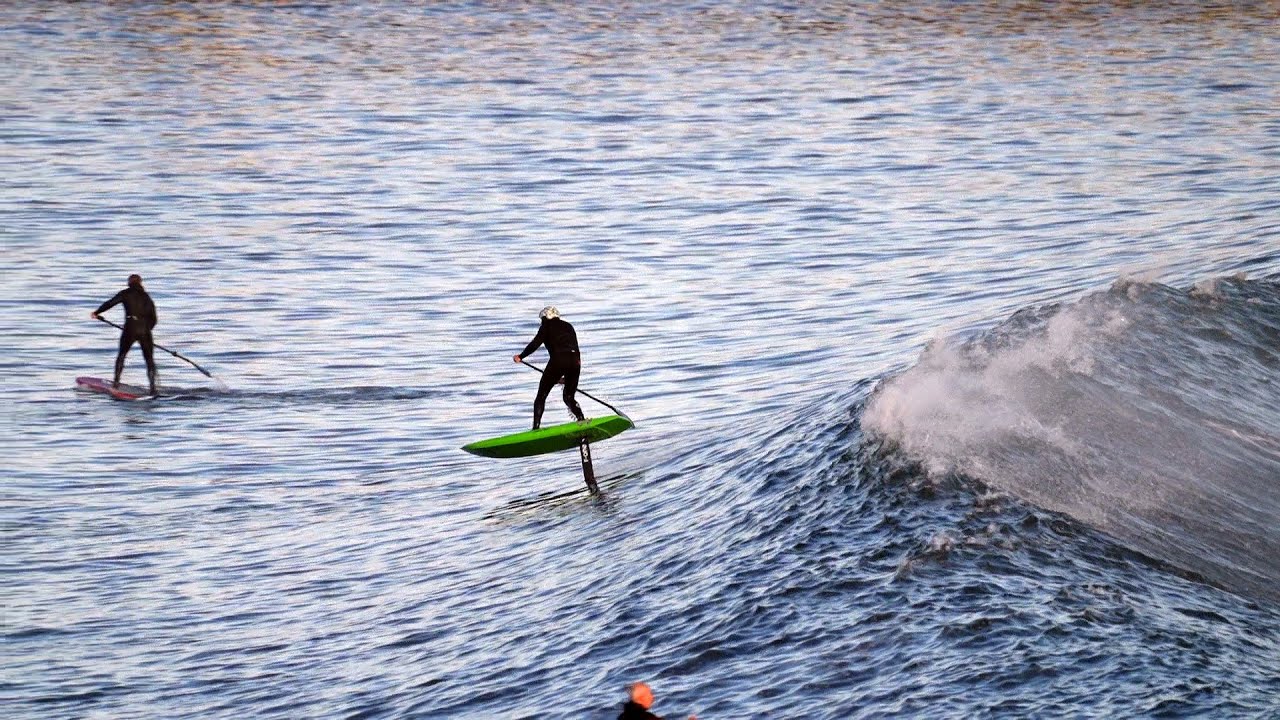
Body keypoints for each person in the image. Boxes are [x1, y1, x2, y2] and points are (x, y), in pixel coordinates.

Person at [513, 306, 585, 430]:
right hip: (575, 361)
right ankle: (581, 419)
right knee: (569, 397)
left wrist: (521, 356)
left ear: (546, 317)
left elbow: (535, 343)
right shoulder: (568, 326)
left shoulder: (546, 326)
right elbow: (571, 348)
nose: (542, 322)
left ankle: (536, 428)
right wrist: (565, 377)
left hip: (559, 361)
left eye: (542, 319)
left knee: (541, 396)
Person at [91, 274, 158, 394]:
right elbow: (154, 318)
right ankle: (153, 388)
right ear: (140, 283)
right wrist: (147, 329)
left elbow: (110, 303)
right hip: (145, 330)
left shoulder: (125, 293)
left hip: (130, 328)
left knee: (121, 355)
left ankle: (116, 384)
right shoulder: (146, 297)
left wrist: (97, 312)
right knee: (149, 360)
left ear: (129, 283)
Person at [618, 682, 696, 720]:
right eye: (649, 694)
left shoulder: (622, 717)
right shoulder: (646, 717)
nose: (652, 697)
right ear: (641, 698)